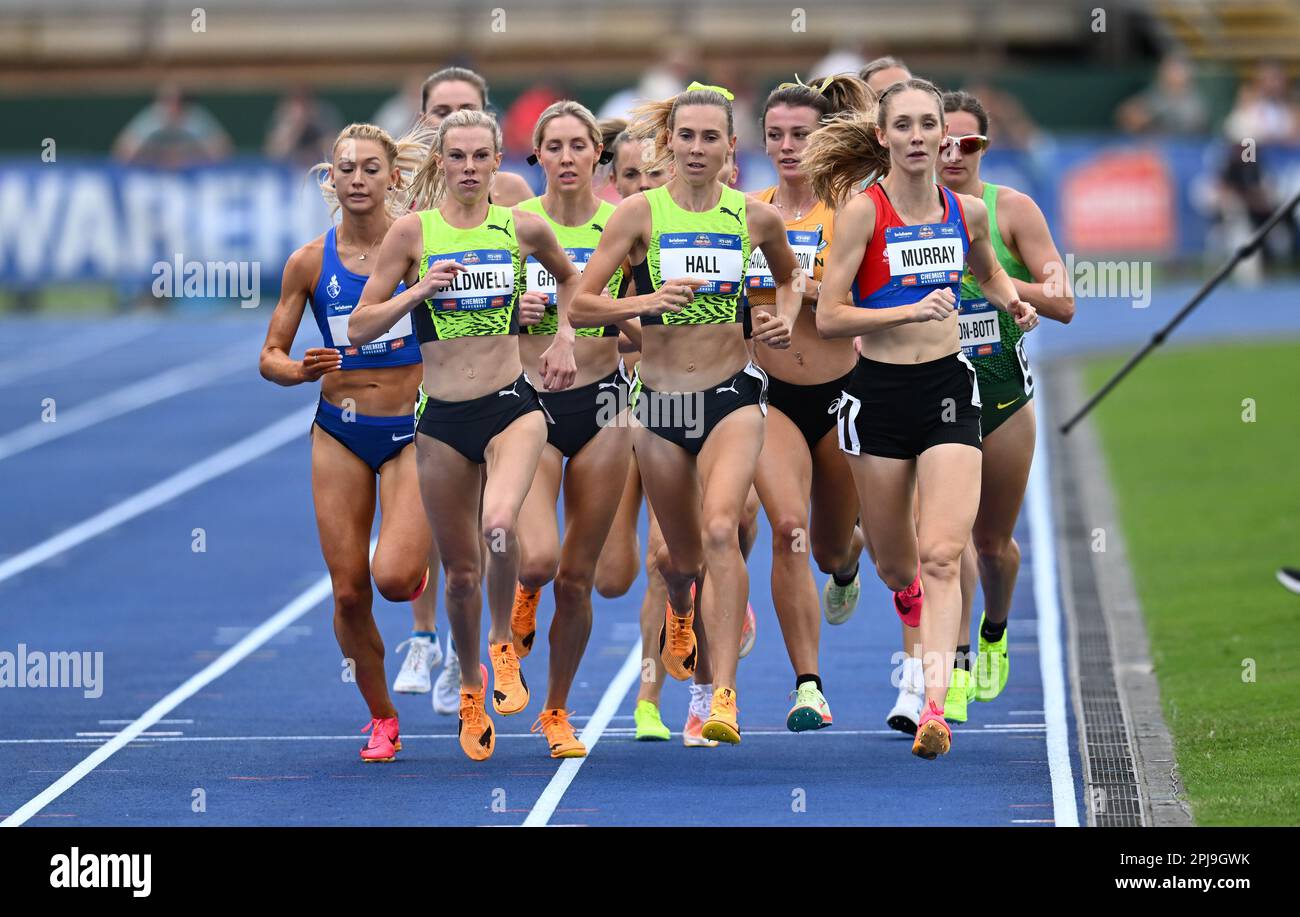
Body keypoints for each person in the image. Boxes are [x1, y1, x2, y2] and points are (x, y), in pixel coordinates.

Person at [805, 77, 1039, 759]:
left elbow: (990, 272)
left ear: (946, 136)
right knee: (895, 563)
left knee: (943, 555)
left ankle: (935, 702)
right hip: (875, 396)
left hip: (947, 390)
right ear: (883, 136)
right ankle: (901, 600)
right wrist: (904, 311)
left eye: (927, 124)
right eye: (902, 125)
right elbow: (828, 315)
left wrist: (1014, 302)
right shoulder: (862, 214)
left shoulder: (965, 212)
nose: (916, 136)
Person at [571, 82, 801, 745]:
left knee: (723, 528)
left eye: (710, 137)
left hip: (732, 394)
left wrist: (780, 320)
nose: (697, 148)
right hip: (660, 403)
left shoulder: (753, 220)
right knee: (678, 560)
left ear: (732, 147)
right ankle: (682, 618)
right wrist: (644, 305)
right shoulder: (637, 216)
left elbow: (788, 279)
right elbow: (584, 306)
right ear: (668, 143)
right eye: (686, 136)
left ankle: (722, 694)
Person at [348, 108, 581, 762]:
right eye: (459, 157)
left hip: (512, 405)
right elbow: (360, 327)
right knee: (458, 576)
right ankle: (472, 684)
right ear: (442, 163)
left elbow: (570, 279)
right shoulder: (412, 232)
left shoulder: (521, 225)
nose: (472, 168)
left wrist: (564, 335)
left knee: (501, 520)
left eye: (483, 156)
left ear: (498, 160)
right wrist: (417, 290)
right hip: (443, 419)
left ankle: (505, 646)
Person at [259, 122, 434, 762]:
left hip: (413, 428)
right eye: (345, 169)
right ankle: (382, 716)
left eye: (369, 168)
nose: (357, 180)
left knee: (392, 578)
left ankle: (418, 561)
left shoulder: (421, 246)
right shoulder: (310, 262)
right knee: (349, 591)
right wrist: (297, 368)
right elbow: (269, 356)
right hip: (339, 430)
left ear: (393, 176)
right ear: (330, 179)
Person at [394, 66, 537, 712]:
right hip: (423, 378)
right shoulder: (406, 206)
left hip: (501, 382)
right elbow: (371, 291)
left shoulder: (509, 197)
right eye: (440, 111)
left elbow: (553, 274)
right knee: (435, 539)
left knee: (496, 524)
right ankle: (430, 636)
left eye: (466, 110)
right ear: (426, 121)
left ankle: (479, 648)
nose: (453, 123)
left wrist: (549, 326)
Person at [937, 90, 1074, 723]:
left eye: (967, 144)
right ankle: (952, 669)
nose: (954, 154)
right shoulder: (904, 213)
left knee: (992, 543)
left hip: (1002, 398)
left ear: (983, 148)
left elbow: (1061, 303)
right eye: (943, 143)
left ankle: (994, 630)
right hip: (932, 398)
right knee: (947, 542)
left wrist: (991, 275)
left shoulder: (1011, 210)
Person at [509, 101, 638, 758]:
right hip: (528, 402)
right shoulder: (515, 226)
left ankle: (556, 709)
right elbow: (468, 324)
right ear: (537, 155)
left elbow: (649, 323)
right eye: (552, 145)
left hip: (606, 403)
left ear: (597, 154)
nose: (565, 156)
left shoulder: (623, 224)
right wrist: (514, 312)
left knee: (579, 577)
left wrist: (606, 315)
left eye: (577, 145)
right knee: (536, 556)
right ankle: (519, 602)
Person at [746, 73, 872, 731]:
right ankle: (808, 685)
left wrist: (827, 297)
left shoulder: (852, 209)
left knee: (826, 546)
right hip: (771, 397)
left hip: (841, 393)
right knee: (788, 529)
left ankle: (849, 561)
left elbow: (882, 302)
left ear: (824, 138)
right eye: (776, 135)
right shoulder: (747, 212)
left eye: (801, 134)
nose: (788, 146)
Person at [417, 67, 536, 205]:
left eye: (468, 111)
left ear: (487, 117)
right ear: (422, 120)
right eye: (443, 113)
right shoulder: (400, 191)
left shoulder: (511, 190)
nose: (456, 120)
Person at [112, 83, 231, 167]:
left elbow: (222, 150)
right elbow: (123, 152)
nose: (172, 106)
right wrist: (157, 158)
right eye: (167, 101)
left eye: (178, 101)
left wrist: (186, 158)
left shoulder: (194, 118)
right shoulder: (151, 118)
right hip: (153, 180)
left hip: (194, 180)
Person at [1116, 56, 1207, 136]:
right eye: (1169, 70)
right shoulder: (1156, 93)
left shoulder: (1193, 101)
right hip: (1154, 145)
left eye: (1176, 71)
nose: (1171, 75)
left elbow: (1194, 126)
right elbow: (1126, 113)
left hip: (1184, 147)